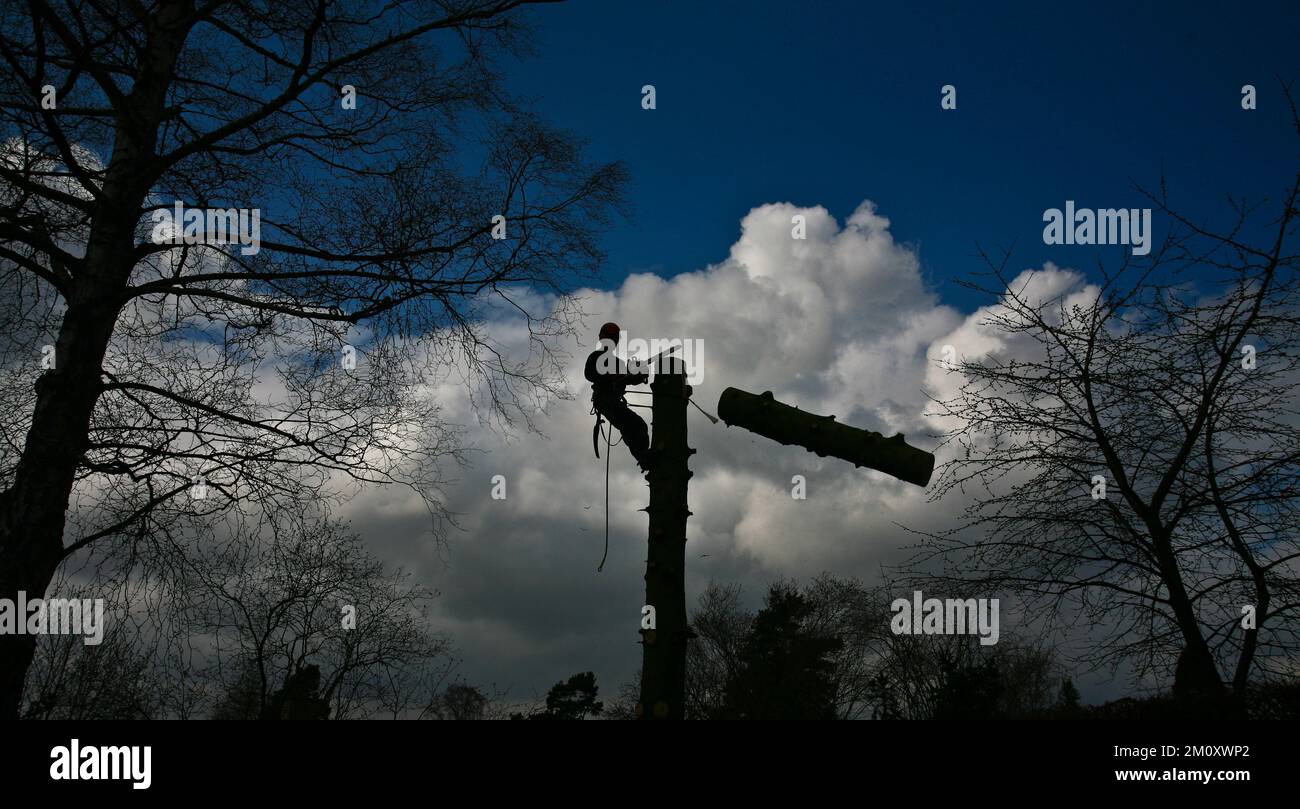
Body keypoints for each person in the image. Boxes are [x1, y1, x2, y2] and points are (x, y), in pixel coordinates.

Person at [586, 322, 656, 472]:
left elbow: (629, 378)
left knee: (637, 425)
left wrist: (639, 374)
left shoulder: (618, 362)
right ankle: (644, 457)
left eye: (613, 339)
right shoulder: (596, 357)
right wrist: (610, 377)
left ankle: (645, 457)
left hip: (613, 401)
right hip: (604, 400)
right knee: (633, 425)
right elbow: (590, 374)